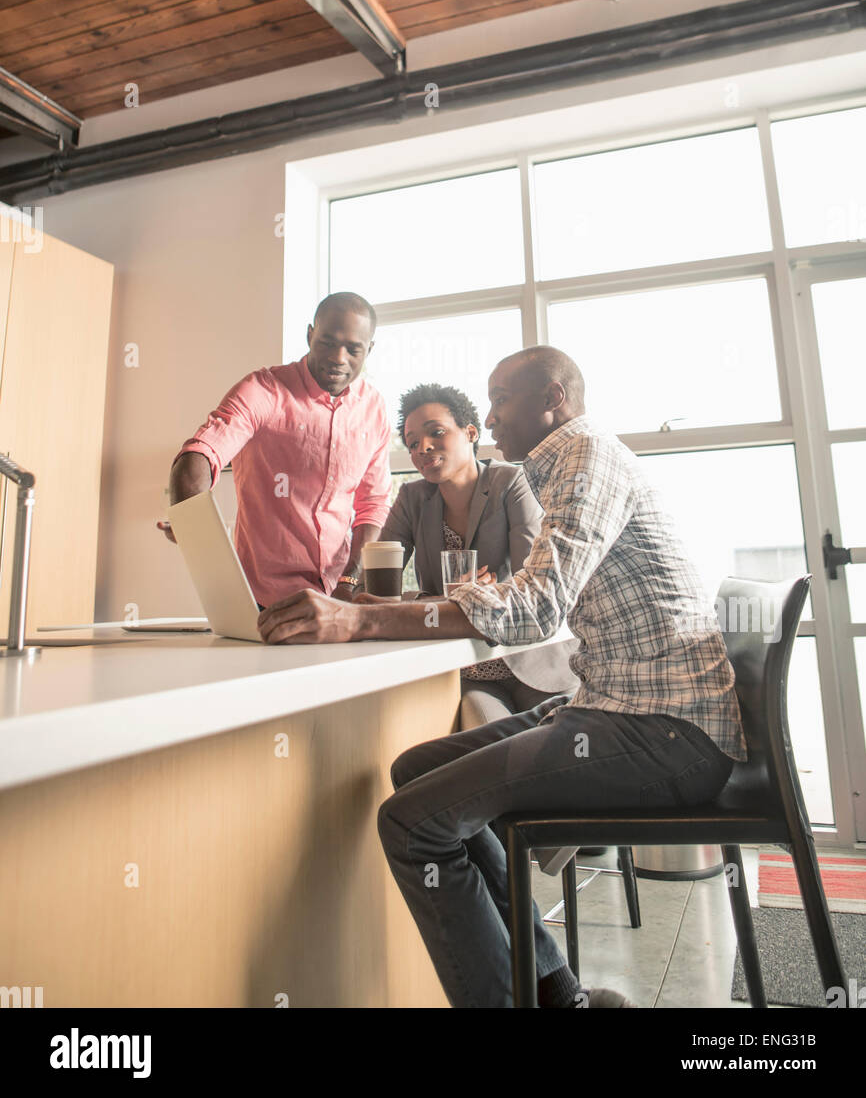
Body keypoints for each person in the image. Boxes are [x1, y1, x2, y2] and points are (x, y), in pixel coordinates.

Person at [256, 346, 747, 1009]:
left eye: (499, 400)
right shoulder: (558, 467)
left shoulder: (583, 460)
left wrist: (361, 622)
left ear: (554, 397)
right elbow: (522, 595)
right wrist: (398, 608)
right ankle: (555, 993)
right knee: (416, 774)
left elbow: (535, 609)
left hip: (661, 733)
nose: (488, 419)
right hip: (613, 707)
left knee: (411, 822)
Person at [159, 292, 391, 607]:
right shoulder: (265, 389)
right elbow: (203, 451)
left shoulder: (373, 408)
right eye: (327, 342)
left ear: (370, 349)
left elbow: (373, 505)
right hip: (262, 601)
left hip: (340, 598)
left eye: (353, 349)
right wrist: (191, 521)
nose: (339, 357)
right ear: (310, 335)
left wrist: (350, 581)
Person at [378, 381, 578, 727]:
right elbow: (380, 590)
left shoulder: (511, 482)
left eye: (436, 433)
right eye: (412, 443)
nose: (422, 448)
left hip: (531, 660)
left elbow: (529, 583)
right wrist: (442, 597)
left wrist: (484, 592)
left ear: (470, 432)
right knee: (489, 738)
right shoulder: (411, 499)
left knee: (555, 740)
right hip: (467, 668)